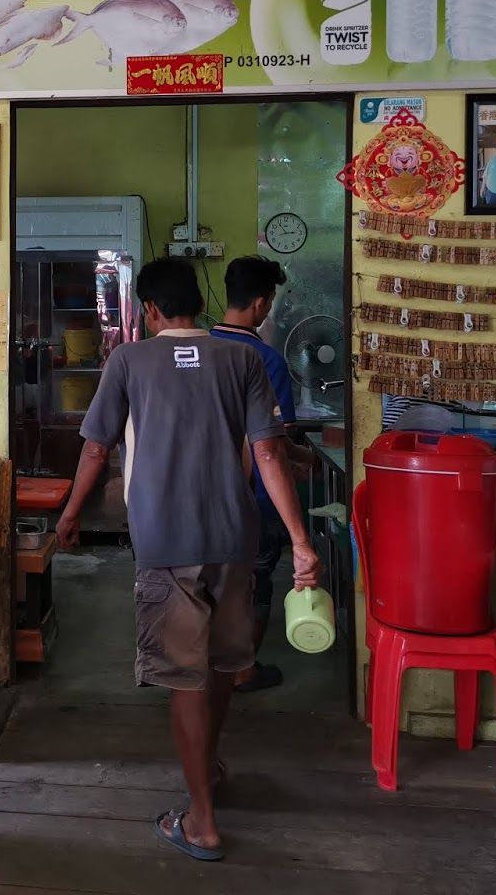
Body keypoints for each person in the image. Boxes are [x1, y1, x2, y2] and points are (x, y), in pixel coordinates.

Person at [55, 258, 320, 863]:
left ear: (149, 310)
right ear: (198, 303)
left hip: (165, 542)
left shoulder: (128, 360)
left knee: (183, 678)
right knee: (223, 665)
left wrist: (71, 514)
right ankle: (211, 767)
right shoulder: (245, 358)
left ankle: (200, 820)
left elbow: (97, 448)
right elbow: (271, 454)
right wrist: (300, 540)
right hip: (234, 536)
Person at [212, 255, 317, 694]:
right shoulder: (267, 359)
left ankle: (210, 666)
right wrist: (303, 462)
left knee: (214, 585)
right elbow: (272, 442)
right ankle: (243, 670)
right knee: (255, 585)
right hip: (255, 498)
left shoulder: (200, 348)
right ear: (261, 303)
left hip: (204, 497)